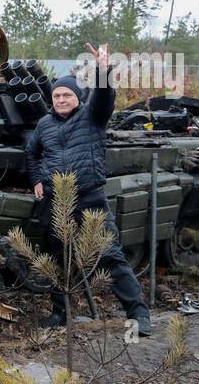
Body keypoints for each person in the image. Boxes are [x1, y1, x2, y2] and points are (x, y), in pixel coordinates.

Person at [24, 42, 152, 336]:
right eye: (56, 95)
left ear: (78, 97)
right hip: (57, 203)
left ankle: (138, 315)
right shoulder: (44, 125)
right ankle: (61, 314)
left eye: (67, 94)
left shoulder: (92, 117)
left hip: (90, 198)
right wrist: (37, 180)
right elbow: (31, 153)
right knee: (59, 260)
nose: (61, 99)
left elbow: (104, 98)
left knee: (111, 256)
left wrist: (103, 71)